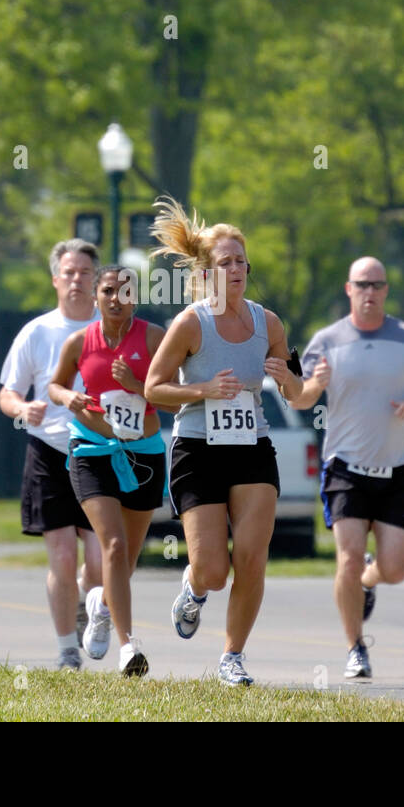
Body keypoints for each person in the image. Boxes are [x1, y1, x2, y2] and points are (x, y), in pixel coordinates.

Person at [144, 197, 303, 687]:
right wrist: (203, 390)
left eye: (240, 261)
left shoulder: (268, 324)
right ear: (207, 273)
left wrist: (286, 377)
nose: (235, 269)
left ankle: (232, 658)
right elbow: (153, 386)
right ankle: (193, 590)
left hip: (252, 447)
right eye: (224, 262)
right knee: (213, 569)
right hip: (198, 448)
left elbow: (297, 393)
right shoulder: (191, 323)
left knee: (252, 557)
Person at [291, 258, 404, 681]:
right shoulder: (327, 341)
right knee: (347, 560)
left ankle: (371, 580)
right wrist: (313, 383)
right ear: (348, 289)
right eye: (362, 284)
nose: (370, 291)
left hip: (396, 468)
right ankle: (355, 648)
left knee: (397, 569)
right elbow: (300, 397)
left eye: (377, 284)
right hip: (345, 468)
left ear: (386, 290)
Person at [49, 266, 169, 677]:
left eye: (125, 292)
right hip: (92, 451)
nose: (116, 298)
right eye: (108, 291)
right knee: (113, 548)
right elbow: (55, 384)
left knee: (127, 561)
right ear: (95, 297)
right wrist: (69, 398)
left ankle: (101, 605)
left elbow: (174, 399)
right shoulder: (80, 341)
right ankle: (128, 646)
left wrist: (138, 385)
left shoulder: (154, 339)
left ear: (136, 298)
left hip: (145, 456)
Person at [0, 240, 103, 670]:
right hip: (49, 452)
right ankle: (66, 652)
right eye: (69, 272)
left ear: (97, 280)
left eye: (84, 272)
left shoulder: (111, 330)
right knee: (61, 555)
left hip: (101, 452)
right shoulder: (37, 332)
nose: (76, 279)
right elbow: (7, 393)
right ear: (55, 279)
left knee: (99, 561)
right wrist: (23, 408)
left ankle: (81, 597)